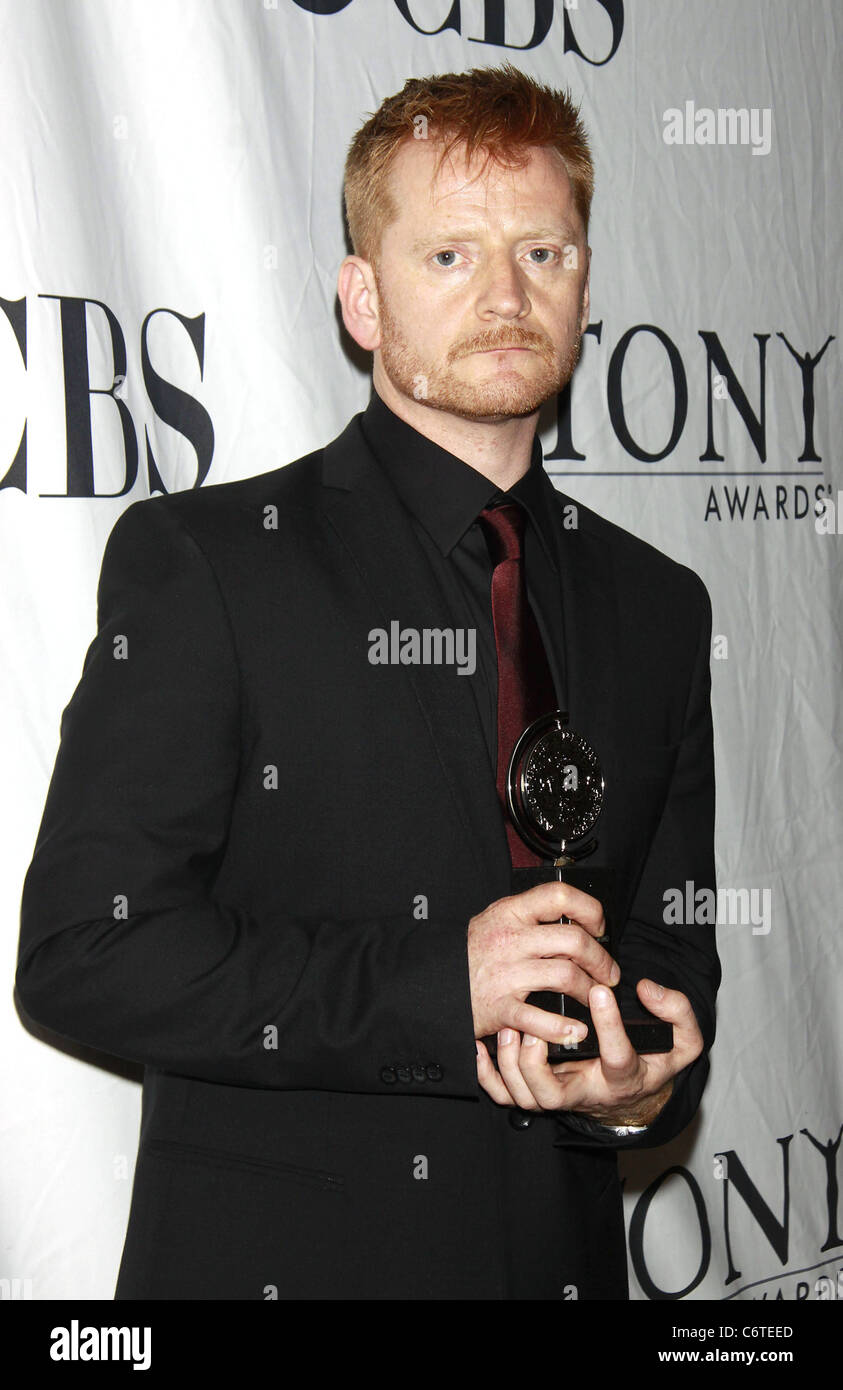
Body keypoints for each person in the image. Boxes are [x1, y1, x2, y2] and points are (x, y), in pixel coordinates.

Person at [16, 64, 720, 1300]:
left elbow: (673, 948)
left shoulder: (659, 607)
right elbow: (84, 953)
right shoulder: (212, 569)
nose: (507, 295)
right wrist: (429, 990)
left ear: (585, 284)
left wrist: (640, 1078)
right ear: (364, 300)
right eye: (450, 256)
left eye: (542, 251)